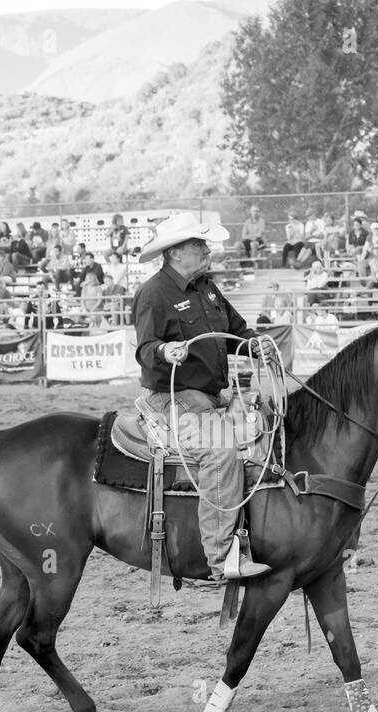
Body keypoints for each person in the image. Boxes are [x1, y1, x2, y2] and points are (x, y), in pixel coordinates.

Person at [131, 212, 277, 581]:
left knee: (270, 424)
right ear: (176, 252)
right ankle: (220, 558)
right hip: (172, 396)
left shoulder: (207, 288)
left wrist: (256, 345)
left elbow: (237, 330)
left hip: (213, 395)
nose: (206, 249)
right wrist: (166, 352)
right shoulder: (153, 293)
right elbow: (146, 348)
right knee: (221, 451)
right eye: (199, 244)